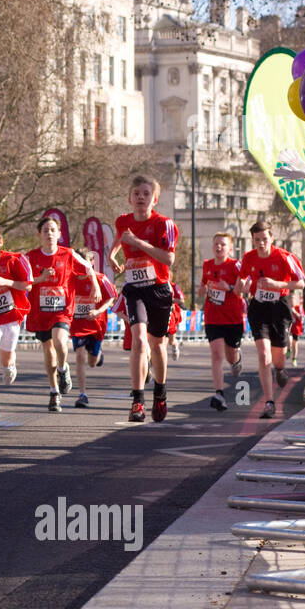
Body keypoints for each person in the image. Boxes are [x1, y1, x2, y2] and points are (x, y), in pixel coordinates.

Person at [109, 175, 179, 423]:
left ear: (154, 199)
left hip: (159, 289)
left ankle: (160, 393)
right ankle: (137, 401)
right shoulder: (122, 221)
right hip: (135, 288)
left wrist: (138, 242)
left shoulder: (164, 224)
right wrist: (112, 255)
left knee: (157, 344)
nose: (141, 197)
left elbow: (169, 259)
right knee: (139, 340)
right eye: (136, 193)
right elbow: (121, 235)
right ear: (130, 198)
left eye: (146, 193)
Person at [27, 216, 98, 412]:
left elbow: (88, 267)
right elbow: (23, 281)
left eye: (53, 230)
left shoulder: (67, 254)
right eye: (45, 230)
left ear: (59, 234)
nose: (49, 233)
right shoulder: (31, 257)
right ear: (39, 235)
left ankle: (63, 369)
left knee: (60, 342)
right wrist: (40, 278)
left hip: (62, 310)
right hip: (40, 312)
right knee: (48, 351)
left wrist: (96, 286)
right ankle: (53, 392)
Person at [236, 220, 305, 419]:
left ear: (271, 238)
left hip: (279, 307)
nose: (261, 243)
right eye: (257, 240)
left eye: (264, 239)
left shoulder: (284, 257)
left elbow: (300, 283)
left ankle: (281, 368)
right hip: (258, 308)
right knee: (264, 355)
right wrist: (244, 287)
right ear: (253, 240)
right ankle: (269, 402)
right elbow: (240, 284)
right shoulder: (248, 258)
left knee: (278, 355)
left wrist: (276, 284)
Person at [201, 231, 246, 412]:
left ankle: (236, 361)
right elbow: (204, 283)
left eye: (223, 244)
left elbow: (242, 291)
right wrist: (202, 289)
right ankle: (219, 393)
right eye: (216, 244)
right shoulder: (207, 265)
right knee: (217, 354)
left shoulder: (236, 265)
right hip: (212, 316)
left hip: (232, 318)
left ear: (230, 248)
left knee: (230, 355)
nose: (219, 247)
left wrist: (229, 288)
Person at [69, 248, 116, 408]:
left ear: (92, 263)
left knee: (92, 362)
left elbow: (112, 297)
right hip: (78, 324)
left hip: (96, 324)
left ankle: (98, 353)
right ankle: (82, 394)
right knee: (80, 356)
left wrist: (98, 311)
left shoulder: (101, 279)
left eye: (85, 263)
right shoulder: (71, 279)